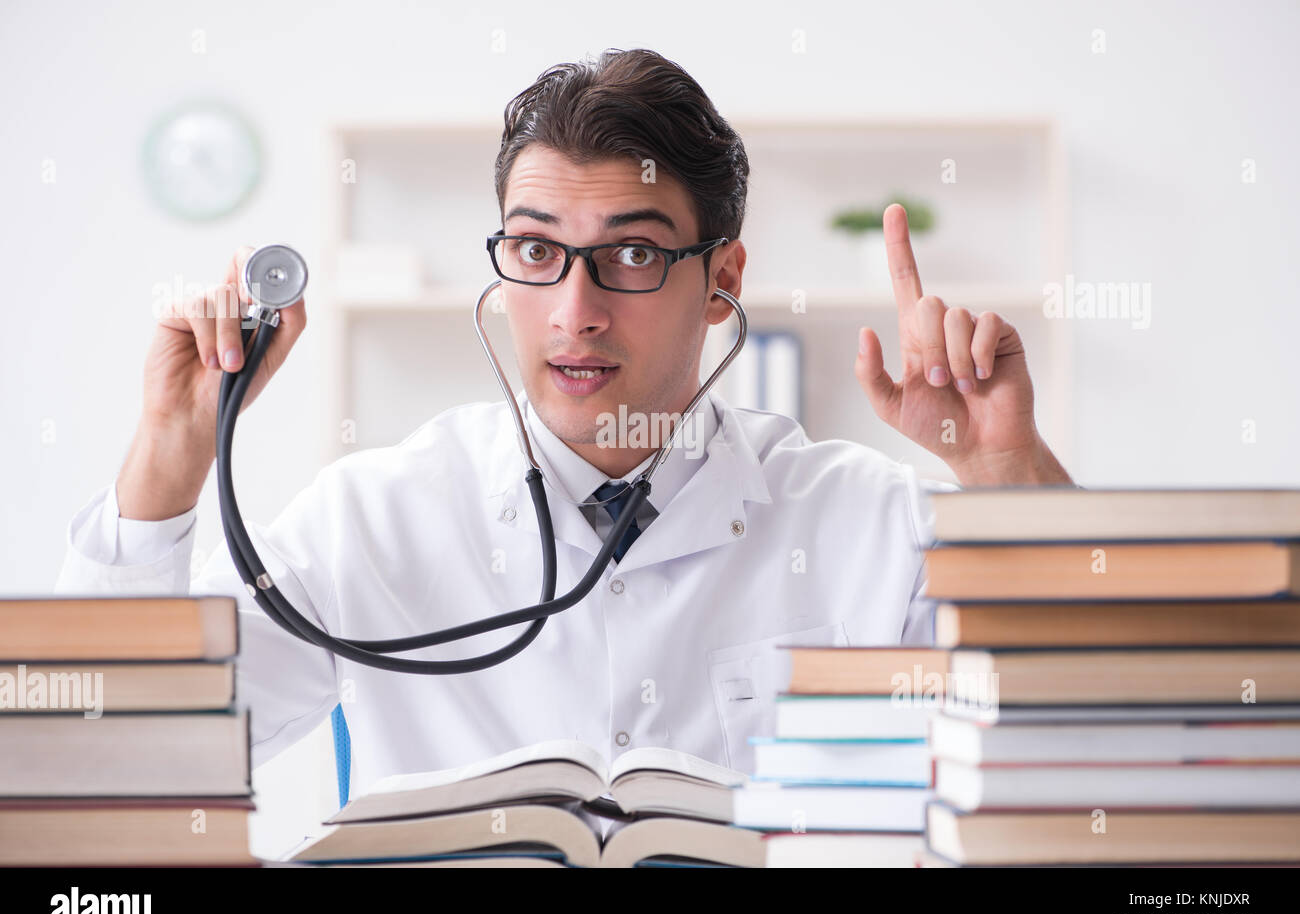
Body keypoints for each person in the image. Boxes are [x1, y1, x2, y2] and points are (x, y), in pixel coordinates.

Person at [55, 48, 1072, 799]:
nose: (574, 308)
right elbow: (110, 760)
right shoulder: (371, 520)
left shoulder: (867, 523)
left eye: (630, 255)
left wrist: (1007, 474)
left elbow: (1095, 748)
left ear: (721, 282)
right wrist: (168, 457)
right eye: (536, 252)